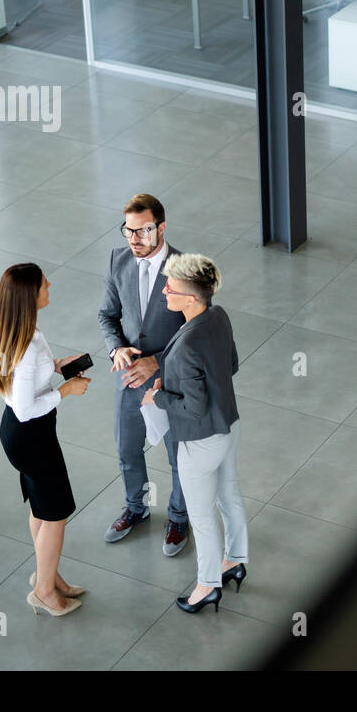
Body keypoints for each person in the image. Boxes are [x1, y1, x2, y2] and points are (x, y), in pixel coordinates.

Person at [142, 253, 247, 614]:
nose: (165, 290)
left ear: (190, 298)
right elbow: (230, 364)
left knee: (201, 517)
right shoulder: (218, 317)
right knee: (229, 496)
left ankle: (207, 585)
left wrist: (160, 396)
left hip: (200, 440)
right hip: (228, 425)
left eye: (171, 287)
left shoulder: (185, 343)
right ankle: (234, 561)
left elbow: (192, 408)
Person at [0, 263, 90, 617]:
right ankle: (44, 591)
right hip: (31, 435)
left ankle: (48, 575)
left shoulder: (17, 332)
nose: (50, 285)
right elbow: (24, 409)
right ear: (30, 296)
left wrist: (60, 366)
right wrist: (66, 391)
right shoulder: (27, 347)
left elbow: (25, 384)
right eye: (44, 284)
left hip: (24, 435)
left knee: (40, 507)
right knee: (56, 513)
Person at [97, 193, 190, 555]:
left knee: (178, 455)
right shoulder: (118, 259)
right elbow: (107, 315)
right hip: (129, 379)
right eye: (128, 231)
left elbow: (198, 336)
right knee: (127, 449)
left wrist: (160, 363)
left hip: (172, 382)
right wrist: (115, 348)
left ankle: (178, 518)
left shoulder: (185, 269)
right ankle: (136, 509)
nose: (134, 239)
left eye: (143, 231)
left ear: (161, 228)